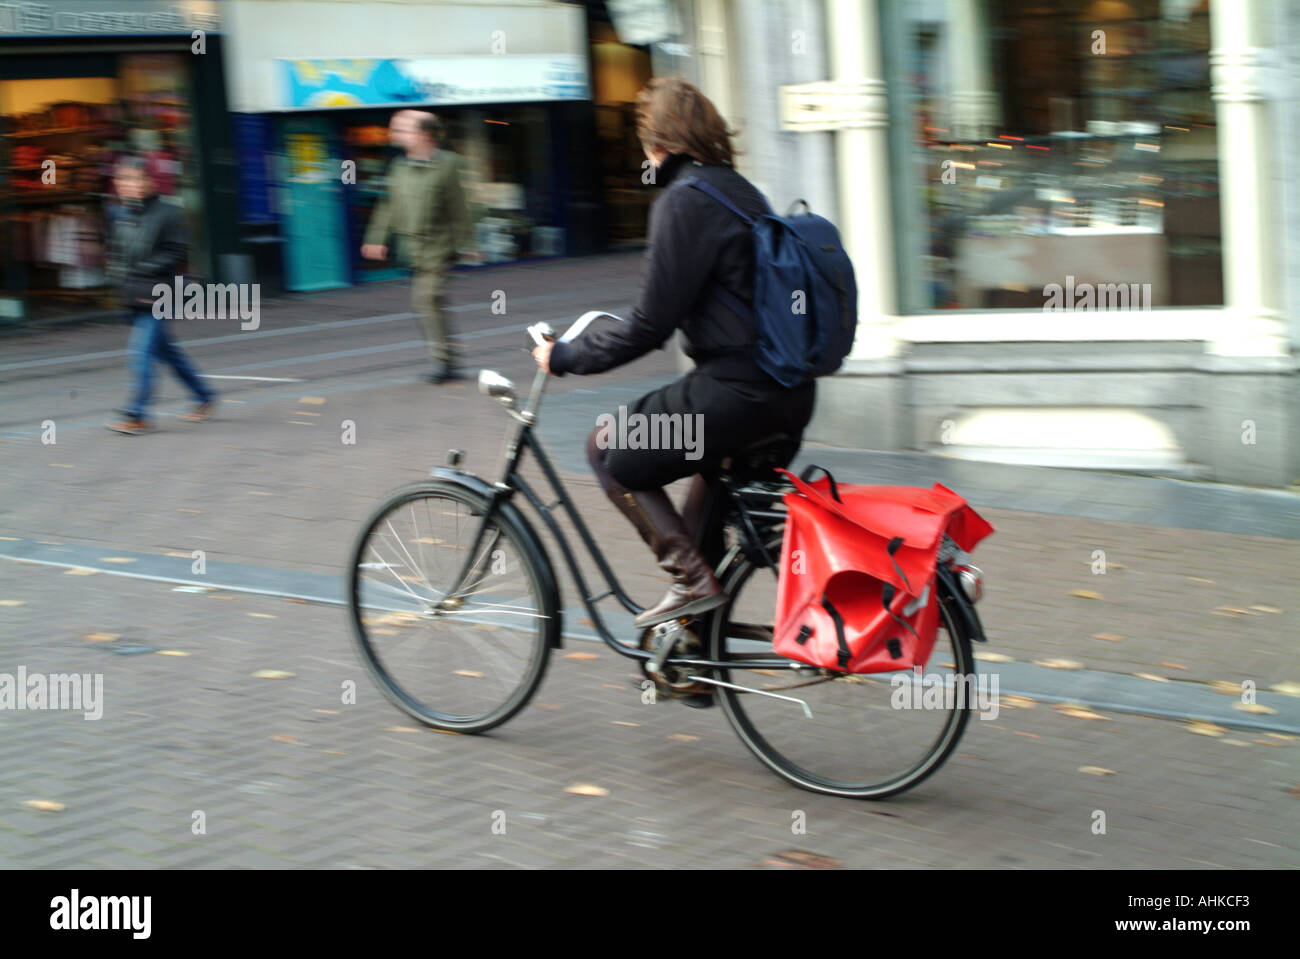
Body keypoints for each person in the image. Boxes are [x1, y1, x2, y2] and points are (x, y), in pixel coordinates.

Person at [531, 78, 817, 628]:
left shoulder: (683, 203)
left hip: (734, 396)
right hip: (786, 397)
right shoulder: (740, 192)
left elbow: (647, 326)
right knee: (699, 516)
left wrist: (564, 355)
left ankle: (690, 583)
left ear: (660, 142)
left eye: (645, 142)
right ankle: (692, 662)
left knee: (609, 448)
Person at [104, 155, 217, 435]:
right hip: (135, 296)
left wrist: (144, 269)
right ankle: (204, 397)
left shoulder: (169, 212)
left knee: (140, 353)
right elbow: (119, 257)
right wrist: (120, 282)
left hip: (160, 293)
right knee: (168, 353)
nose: (127, 185)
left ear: (148, 181)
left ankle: (137, 415)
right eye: (122, 180)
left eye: (133, 178)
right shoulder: (122, 215)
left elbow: (178, 251)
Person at [363, 112, 474, 383]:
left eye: (403, 130)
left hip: (439, 246)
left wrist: (467, 244)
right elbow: (388, 206)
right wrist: (376, 237)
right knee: (432, 303)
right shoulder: (399, 167)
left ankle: (444, 364)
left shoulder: (448, 165)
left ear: (424, 135)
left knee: (425, 299)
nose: (396, 135)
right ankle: (447, 359)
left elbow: (460, 207)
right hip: (412, 248)